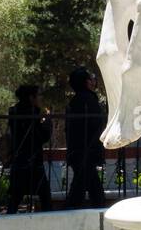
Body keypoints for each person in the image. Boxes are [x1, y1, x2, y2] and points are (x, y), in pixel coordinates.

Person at [6, 84, 53, 213]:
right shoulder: (32, 114)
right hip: (32, 161)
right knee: (45, 196)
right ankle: (48, 222)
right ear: (31, 98)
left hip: (18, 159)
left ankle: (7, 222)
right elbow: (39, 138)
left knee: (15, 197)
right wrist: (48, 124)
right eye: (39, 95)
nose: (40, 98)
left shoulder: (14, 111)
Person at [64, 66, 106, 208]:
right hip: (87, 151)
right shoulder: (89, 100)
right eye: (91, 79)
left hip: (79, 151)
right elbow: (96, 125)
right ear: (87, 83)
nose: (94, 81)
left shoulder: (75, 101)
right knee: (87, 189)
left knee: (85, 187)